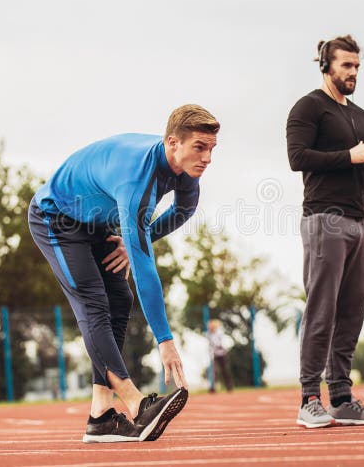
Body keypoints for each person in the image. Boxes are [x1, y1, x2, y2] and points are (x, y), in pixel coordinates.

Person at [28, 104, 220, 442]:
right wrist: (165, 340)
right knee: (94, 303)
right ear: (173, 143)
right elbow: (145, 267)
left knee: (119, 296)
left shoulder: (187, 171)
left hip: (97, 223)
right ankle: (136, 403)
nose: (207, 158)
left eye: (211, 148)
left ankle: (100, 416)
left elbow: (183, 210)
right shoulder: (136, 179)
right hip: (55, 218)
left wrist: (138, 239)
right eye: (199, 148)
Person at [286, 35, 364, 428]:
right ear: (326, 66)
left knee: (351, 312)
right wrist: (351, 155)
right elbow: (297, 158)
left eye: (357, 66)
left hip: (361, 221)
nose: (353, 73)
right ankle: (309, 398)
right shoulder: (308, 107)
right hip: (323, 220)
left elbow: (361, 169)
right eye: (346, 66)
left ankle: (342, 398)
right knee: (321, 311)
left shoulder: (362, 116)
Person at [207, 319, 234, 393]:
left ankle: (229, 386)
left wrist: (219, 347)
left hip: (222, 354)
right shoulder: (209, 334)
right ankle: (213, 388)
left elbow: (220, 343)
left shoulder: (219, 333)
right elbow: (211, 344)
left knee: (225, 370)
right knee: (214, 372)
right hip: (215, 355)